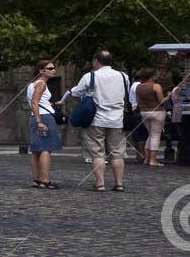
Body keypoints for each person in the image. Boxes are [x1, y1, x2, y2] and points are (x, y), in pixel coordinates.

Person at [66, 50, 130, 191]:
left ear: (96, 61)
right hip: (117, 120)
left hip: (96, 119)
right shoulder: (123, 76)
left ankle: (100, 183)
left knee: (97, 153)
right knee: (117, 153)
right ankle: (119, 183)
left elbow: (77, 92)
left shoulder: (90, 76)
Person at [26, 60, 61, 188]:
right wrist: (39, 121)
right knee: (46, 148)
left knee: (36, 150)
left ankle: (36, 179)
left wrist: (52, 104)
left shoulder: (32, 84)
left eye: (53, 68)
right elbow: (35, 102)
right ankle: (45, 180)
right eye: (50, 68)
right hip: (43, 118)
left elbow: (37, 102)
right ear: (41, 71)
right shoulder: (41, 84)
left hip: (35, 116)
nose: (53, 70)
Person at [133, 67, 168, 168]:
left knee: (150, 135)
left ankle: (147, 159)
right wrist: (169, 96)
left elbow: (138, 102)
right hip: (157, 112)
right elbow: (161, 101)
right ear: (152, 76)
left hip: (144, 112)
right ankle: (153, 160)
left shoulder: (138, 87)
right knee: (156, 136)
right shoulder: (156, 86)